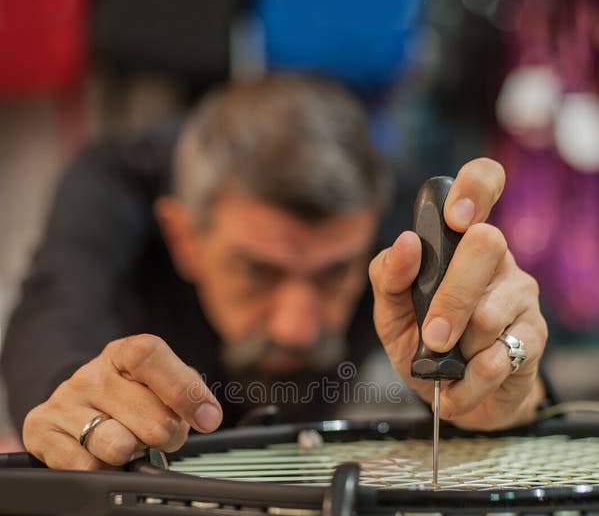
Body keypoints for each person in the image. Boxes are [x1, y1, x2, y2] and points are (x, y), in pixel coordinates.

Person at [0, 74, 548, 470]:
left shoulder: (407, 215)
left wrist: (501, 384)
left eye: (334, 274)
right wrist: (72, 398)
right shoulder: (114, 185)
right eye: (257, 273)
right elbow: (55, 308)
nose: (297, 327)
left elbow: (491, 352)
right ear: (183, 236)